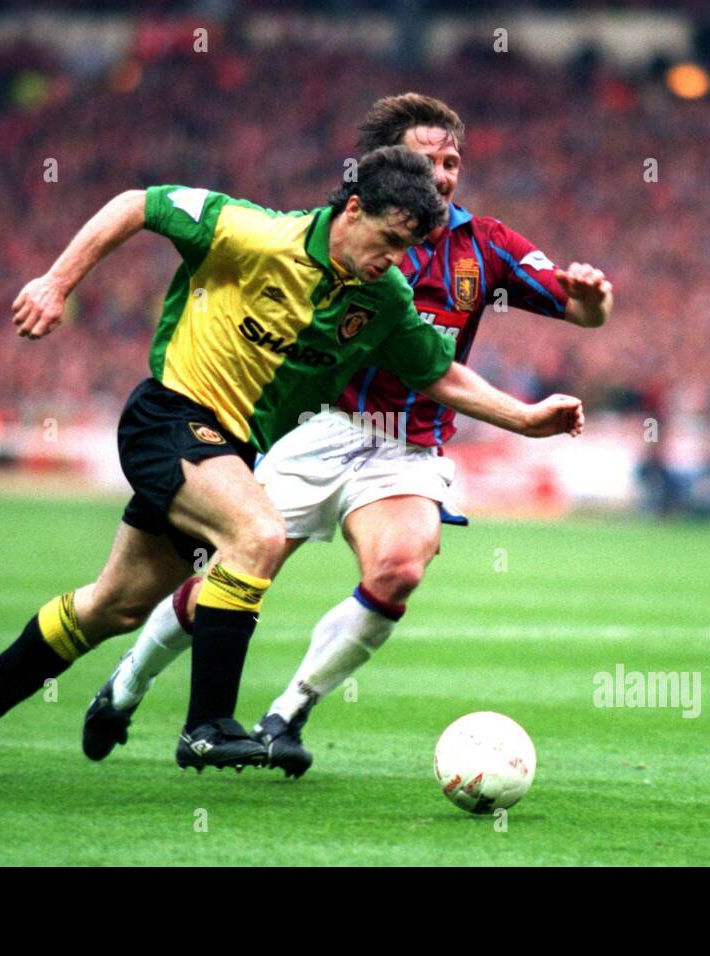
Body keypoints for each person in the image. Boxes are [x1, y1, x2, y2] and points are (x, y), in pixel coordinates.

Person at [0, 144, 586, 779]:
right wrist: (56, 283)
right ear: (353, 209)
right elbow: (138, 204)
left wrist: (527, 419)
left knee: (116, 606)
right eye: (388, 241)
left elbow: (438, 374)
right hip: (168, 417)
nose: (395, 261)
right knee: (258, 534)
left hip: (228, 449)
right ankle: (208, 727)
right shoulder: (251, 232)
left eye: (407, 251)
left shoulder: (382, 295)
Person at [84, 94, 611, 777]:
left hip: (408, 448)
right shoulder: (348, 231)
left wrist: (594, 298)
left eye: (453, 162)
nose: (445, 175)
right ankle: (127, 685)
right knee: (233, 570)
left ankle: (288, 713)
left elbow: (580, 310)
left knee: (400, 567)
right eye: (428, 161)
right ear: (387, 169)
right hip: (321, 429)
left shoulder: (487, 246)